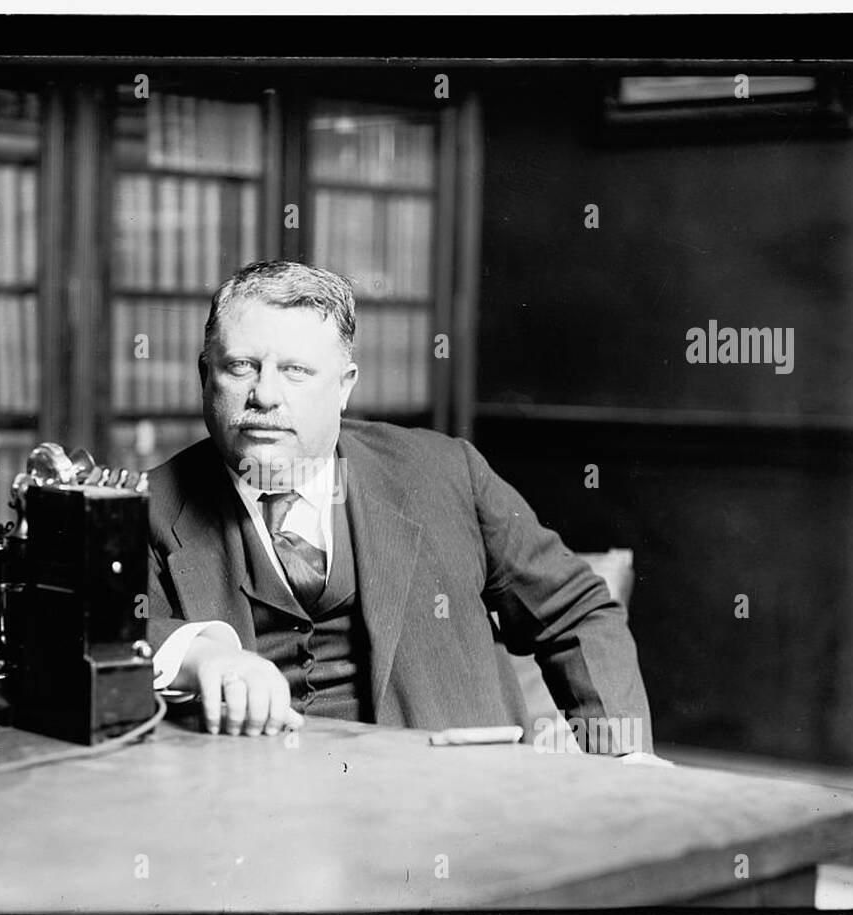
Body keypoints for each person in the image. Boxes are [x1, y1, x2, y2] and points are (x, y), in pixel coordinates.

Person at [145, 260, 651, 753]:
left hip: (452, 801)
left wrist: (622, 759)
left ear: (344, 387)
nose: (265, 394)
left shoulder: (442, 472)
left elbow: (575, 610)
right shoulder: (148, 508)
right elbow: (95, 634)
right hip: (252, 812)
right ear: (204, 375)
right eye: (241, 366)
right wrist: (201, 655)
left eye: (296, 371)